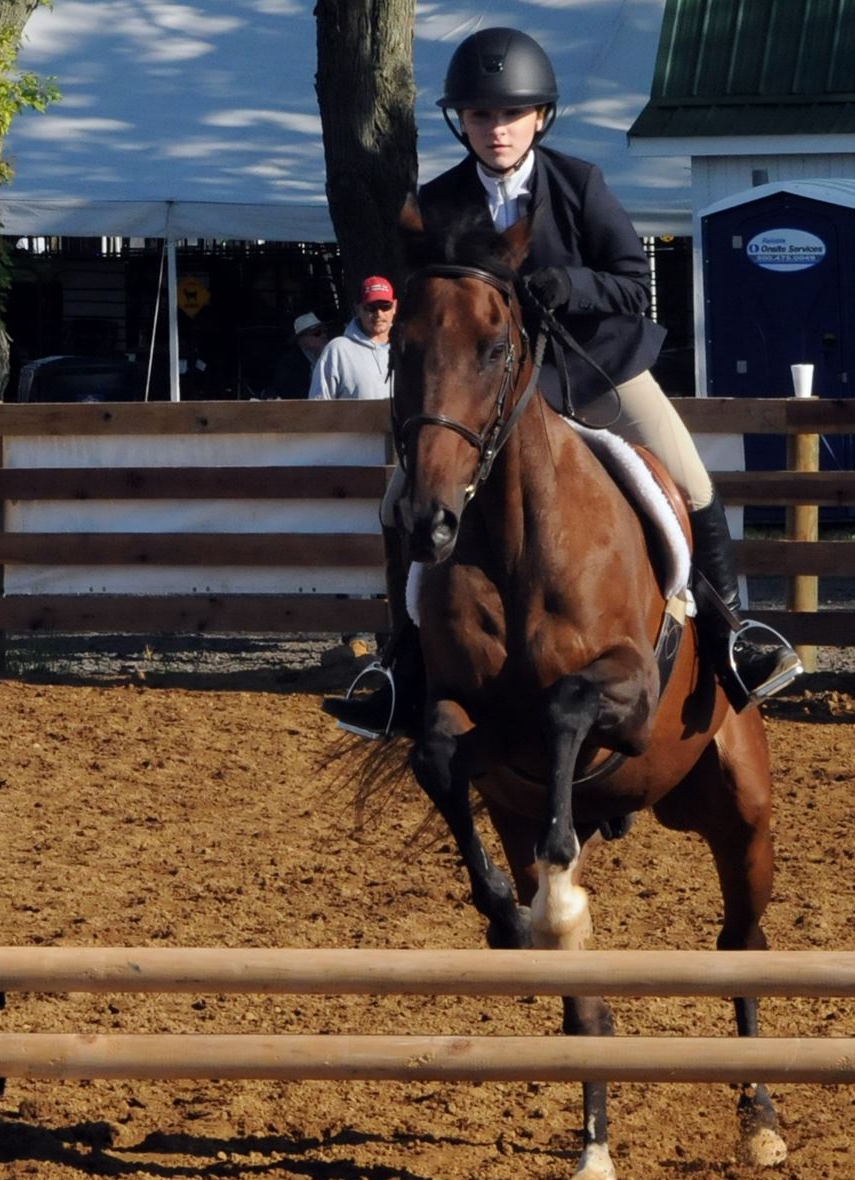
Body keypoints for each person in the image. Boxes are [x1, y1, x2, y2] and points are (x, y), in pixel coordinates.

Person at [325, 26, 798, 738]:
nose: (496, 130)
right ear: (463, 123)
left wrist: (568, 283)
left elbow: (634, 284)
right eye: (481, 116)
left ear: (539, 117)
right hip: (494, 397)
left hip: (596, 369)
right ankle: (402, 666)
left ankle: (737, 638)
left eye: (509, 115)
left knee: (691, 478)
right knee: (402, 501)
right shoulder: (441, 202)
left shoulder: (579, 185)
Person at [309, 276, 396, 401]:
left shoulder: (407, 349)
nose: (379, 314)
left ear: (395, 307)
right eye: (371, 307)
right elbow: (318, 407)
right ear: (358, 308)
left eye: (385, 306)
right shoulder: (337, 350)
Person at [267, 311, 330, 399]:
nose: (323, 335)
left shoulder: (332, 358)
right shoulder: (288, 366)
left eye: (324, 331)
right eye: (317, 333)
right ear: (302, 340)